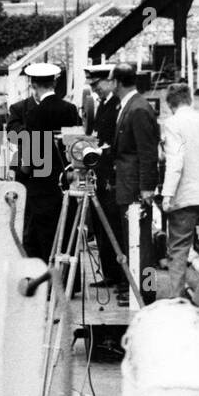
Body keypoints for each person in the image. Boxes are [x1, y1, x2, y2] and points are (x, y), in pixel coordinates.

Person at [17, 62, 81, 262]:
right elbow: (78, 144)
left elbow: (32, 154)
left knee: (42, 236)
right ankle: (72, 281)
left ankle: (49, 284)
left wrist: (21, 176)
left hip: (41, 184)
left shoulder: (34, 114)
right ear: (54, 83)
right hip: (66, 179)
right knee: (66, 229)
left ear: (34, 86)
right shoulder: (70, 109)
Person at [110, 63, 160, 301]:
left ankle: (145, 290)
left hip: (135, 187)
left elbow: (147, 151)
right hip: (129, 184)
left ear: (117, 82)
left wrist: (147, 187)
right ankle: (136, 287)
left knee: (142, 244)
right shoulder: (132, 106)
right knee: (134, 240)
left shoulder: (137, 109)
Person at [159, 82, 199, 299]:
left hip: (185, 196)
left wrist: (167, 195)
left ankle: (176, 301)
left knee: (179, 250)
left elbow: (176, 162)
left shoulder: (172, 123)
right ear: (190, 99)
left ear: (170, 104)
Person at [85, 64, 123, 291]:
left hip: (111, 176)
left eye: (97, 84)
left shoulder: (117, 106)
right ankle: (109, 272)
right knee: (101, 225)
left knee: (113, 225)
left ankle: (120, 276)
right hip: (100, 174)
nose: (95, 89)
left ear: (109, 81)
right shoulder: (104, 105)